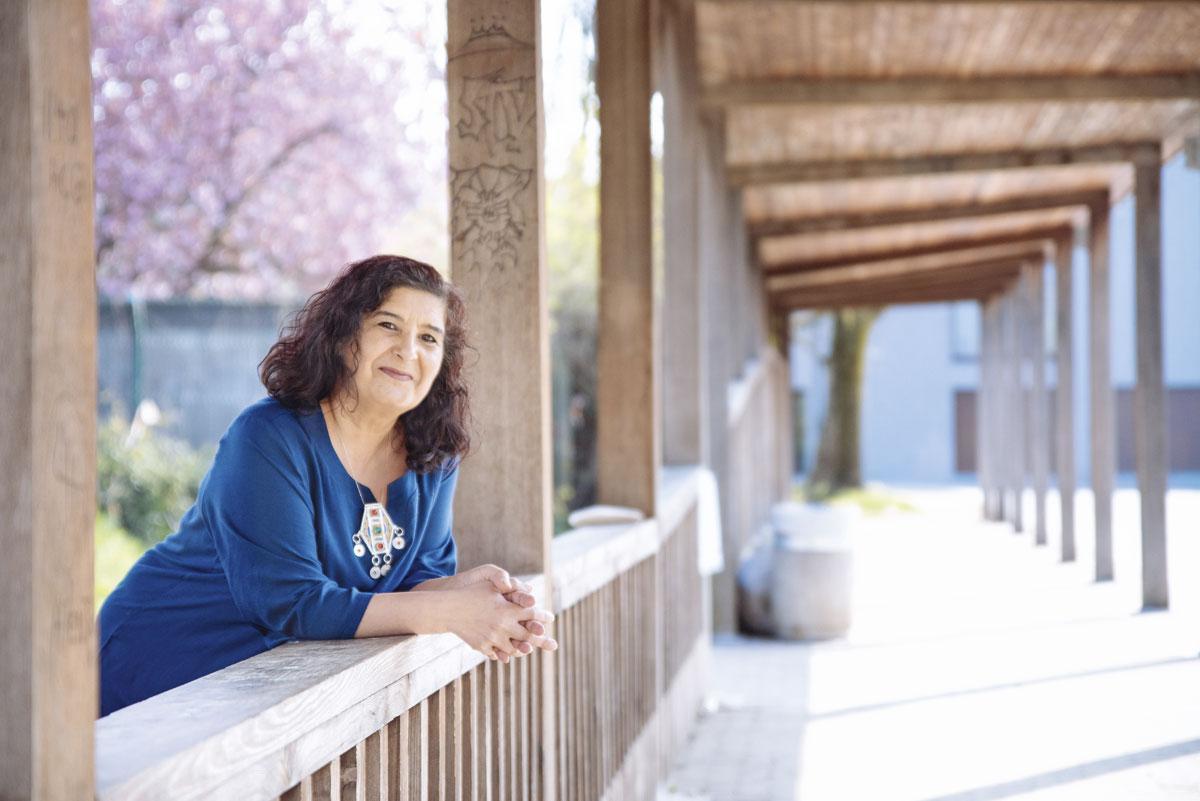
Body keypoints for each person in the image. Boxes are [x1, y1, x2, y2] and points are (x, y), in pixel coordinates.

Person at [98, 255, 556, 716]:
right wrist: (452, 613)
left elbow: (410, 587)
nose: (408, 351)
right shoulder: (269, 437)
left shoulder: (432, 454)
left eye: (429, 338)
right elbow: (292, 602)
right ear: (343, 337)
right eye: (388, 326)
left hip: (252, 694)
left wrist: (469, 596)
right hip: (156, 669)